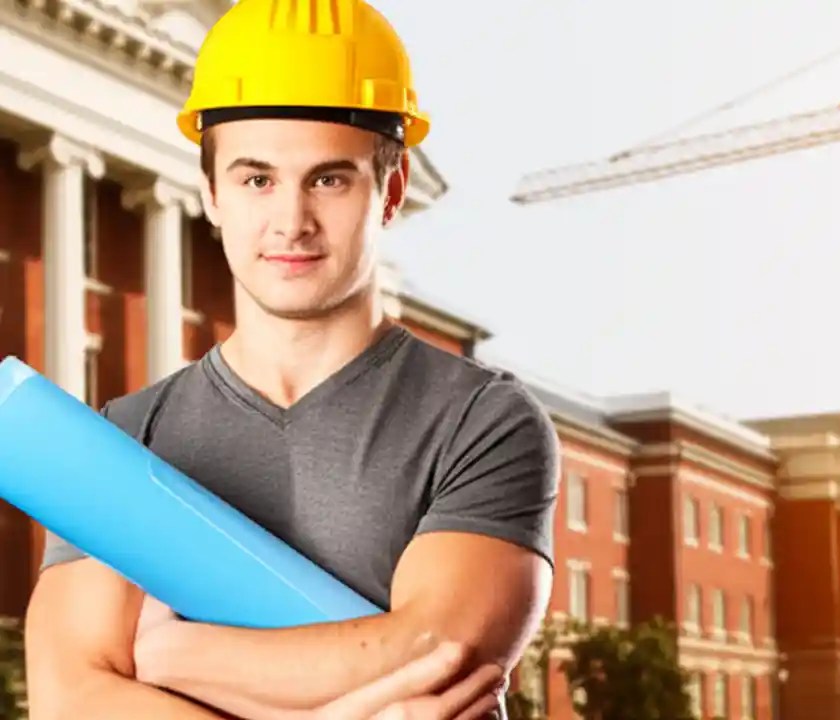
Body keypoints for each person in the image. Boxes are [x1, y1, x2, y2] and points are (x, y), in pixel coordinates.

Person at [22, 1, 558, 718]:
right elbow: (70, 701)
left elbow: (439, 654)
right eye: (256, 179)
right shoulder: (123, 438)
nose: (291, 221)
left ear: (390, 192)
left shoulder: (480, 421)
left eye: (330, 179)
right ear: (211, 194)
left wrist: (172, 655)